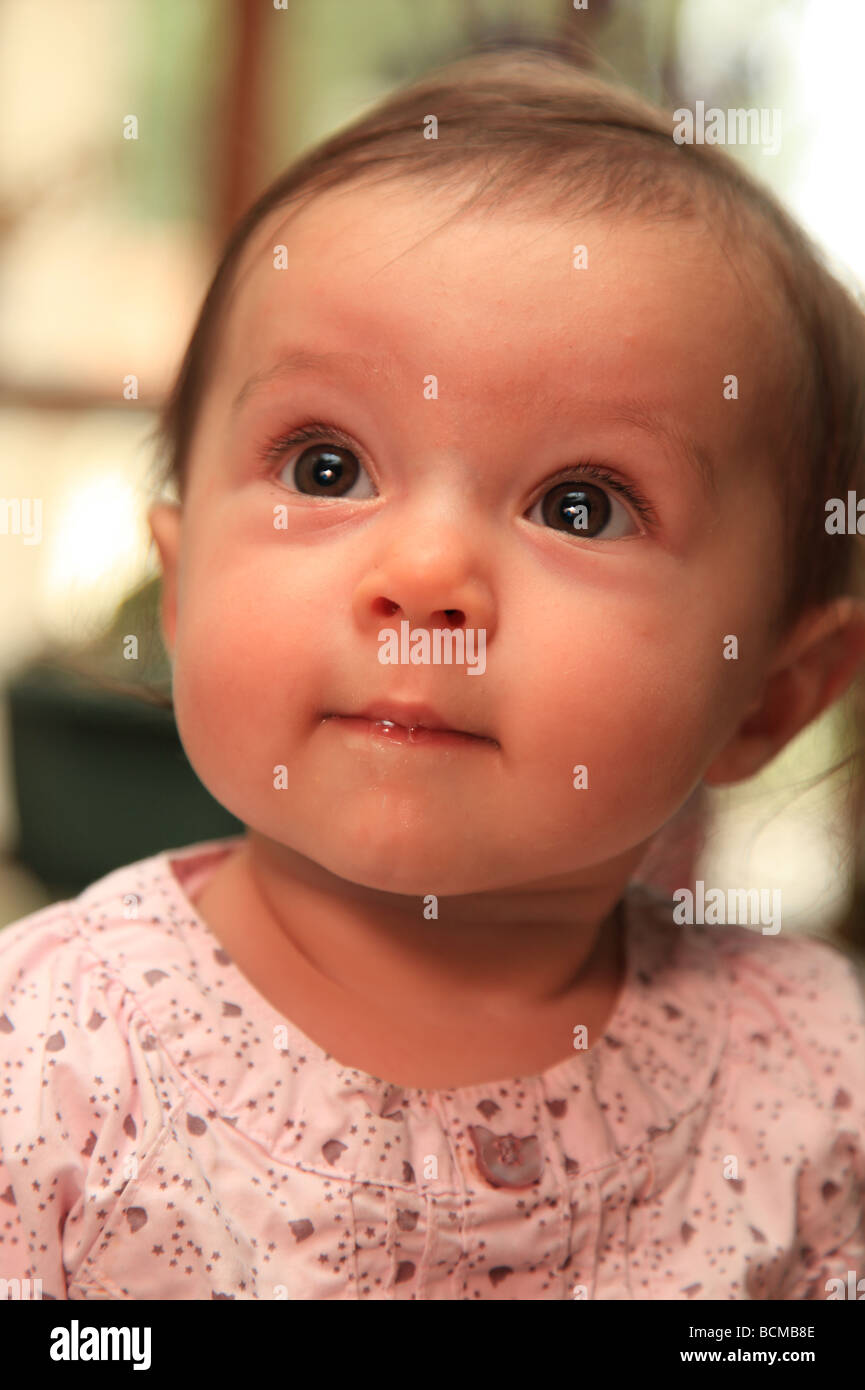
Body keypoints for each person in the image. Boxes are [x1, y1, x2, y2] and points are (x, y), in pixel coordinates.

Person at [2, 46, 864, 1301]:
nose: (423, 574)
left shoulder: (816, 1080)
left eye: (580, 504)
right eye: (326, 467)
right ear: (179, 594)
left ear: (771, 696)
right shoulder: (54, 1062)